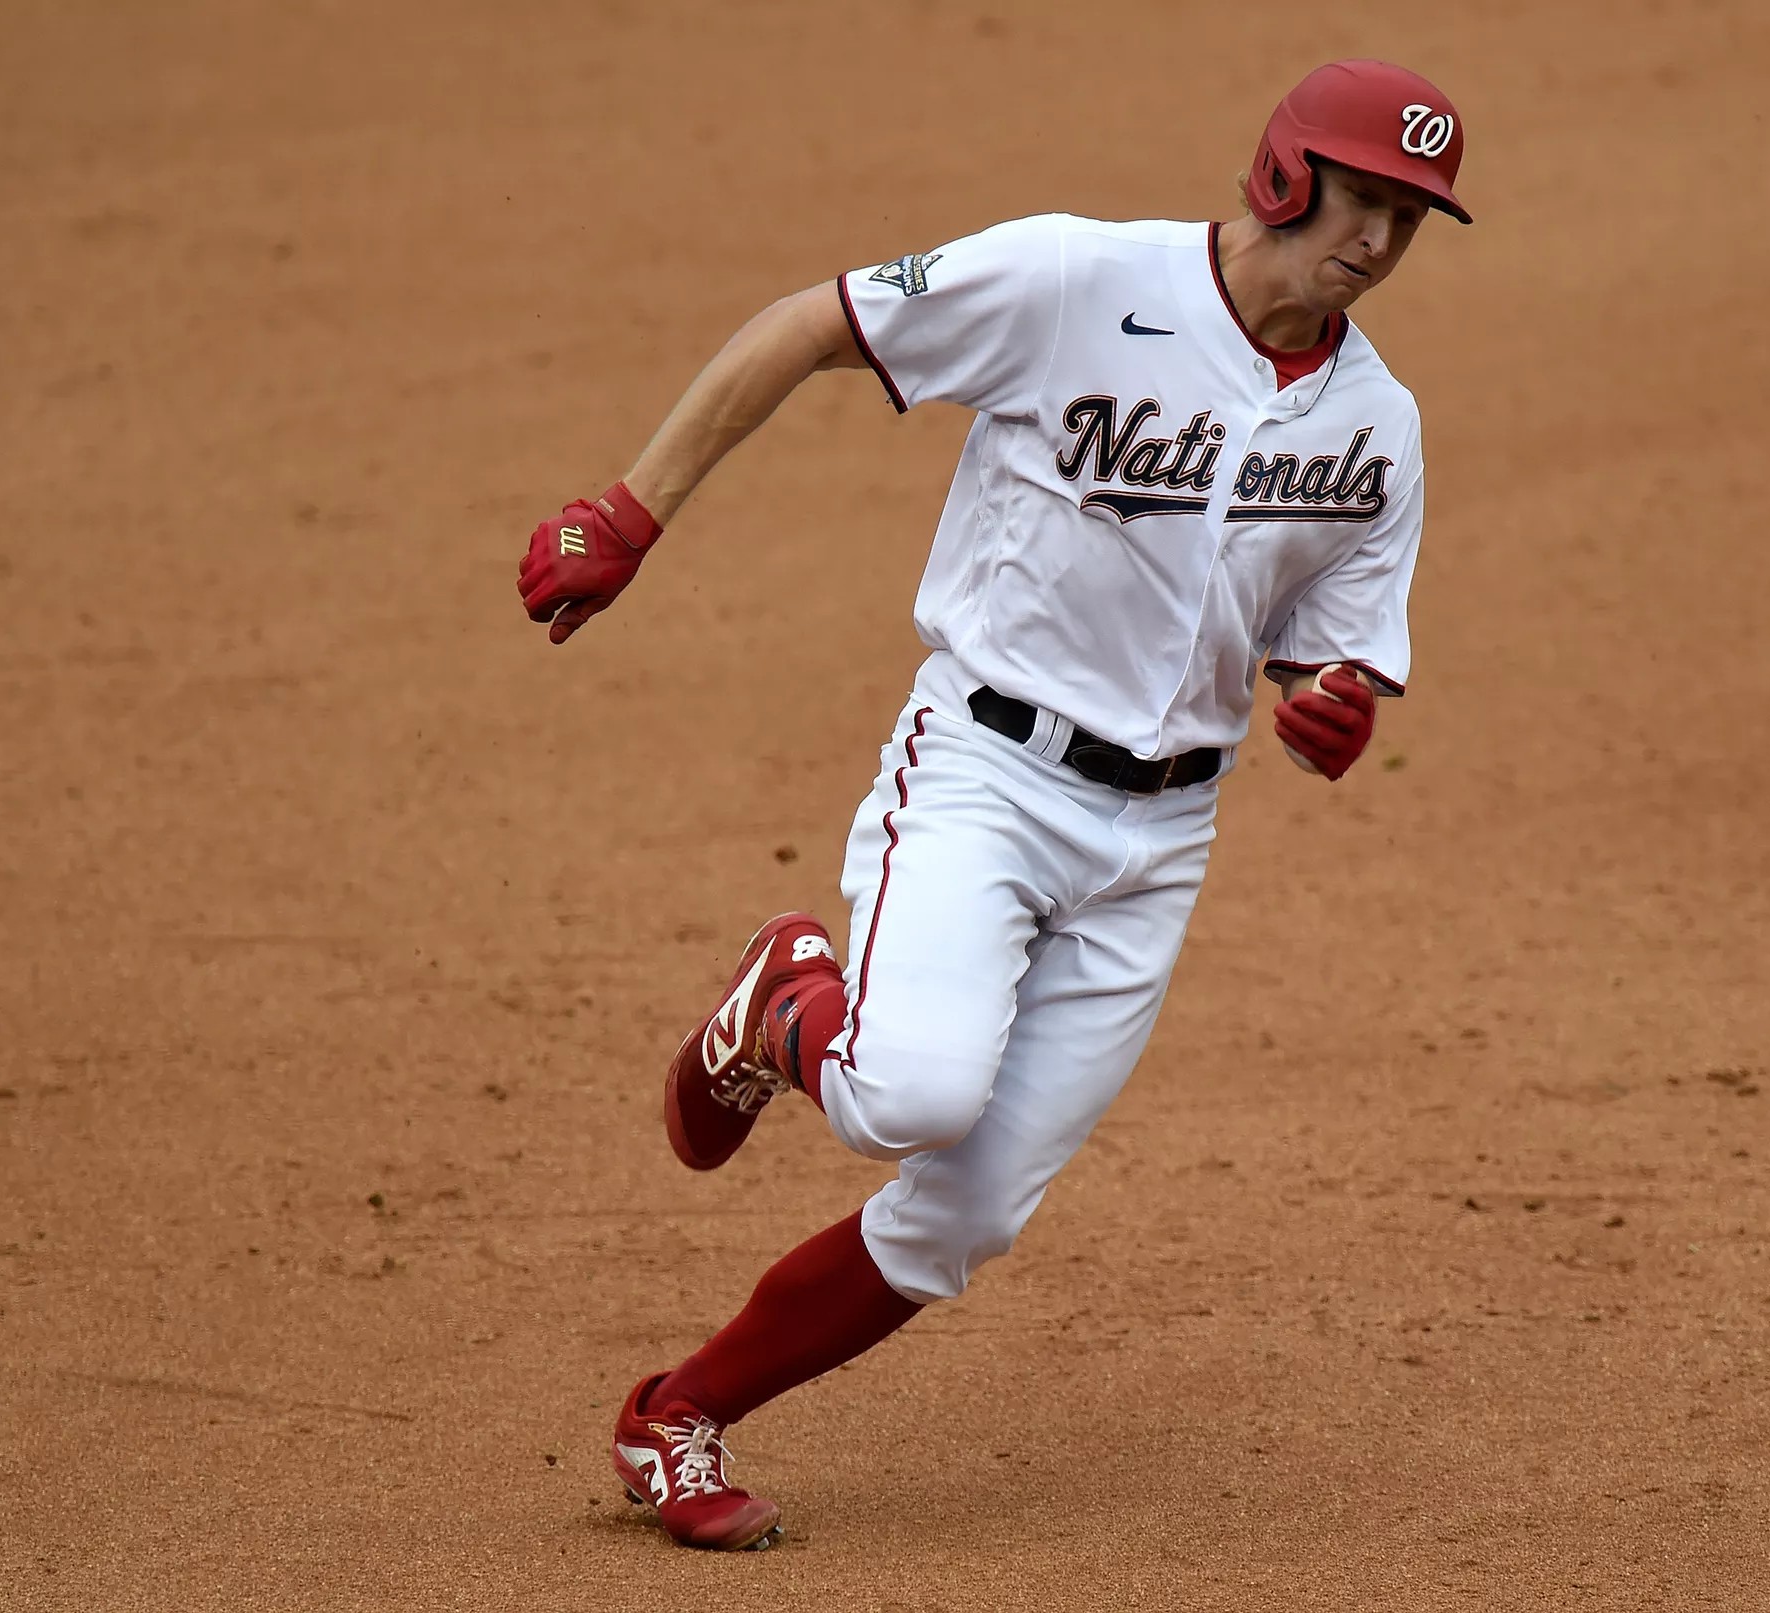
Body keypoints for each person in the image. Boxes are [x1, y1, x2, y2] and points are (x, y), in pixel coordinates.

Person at [516, 59, 1469, 1551]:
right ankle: (783, 1001)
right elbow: (814, 324)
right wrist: (632, 509)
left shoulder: (1379, 430)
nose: (1380, 240)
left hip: (1161, 843)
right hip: (986, 773)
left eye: (1411, 216)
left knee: (965, 1219)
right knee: (909, 1093)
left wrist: (1331, 709)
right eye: (1362, 198)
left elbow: (1324, 653)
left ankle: (676, 1417)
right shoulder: (1078, 281)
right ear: (1286, 177)